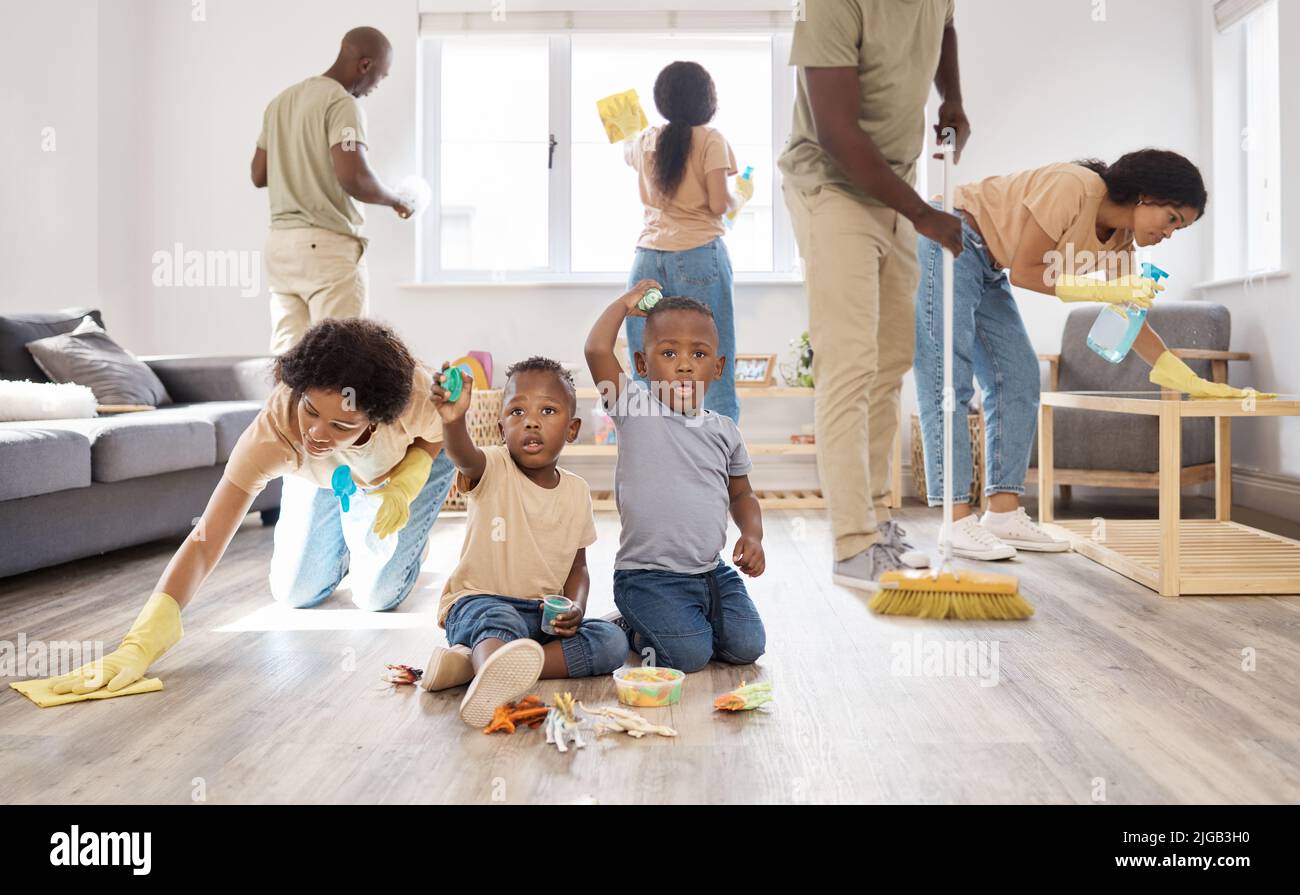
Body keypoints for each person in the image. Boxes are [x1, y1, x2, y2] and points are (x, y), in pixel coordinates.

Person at [40, 318, 456, 697]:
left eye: (342, 425)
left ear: (376, 420)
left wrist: (410, 477)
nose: (316, 433)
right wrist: (141, 641)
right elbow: (206, 539)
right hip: (326, 476)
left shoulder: (416, 397)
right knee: (296, 592)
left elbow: (440, 436)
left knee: (377, 596)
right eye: (310, 410)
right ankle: (343, 498)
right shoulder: (273, 435)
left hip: (403, 464)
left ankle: (394, 531)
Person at [913, 150, 1267, 560]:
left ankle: (1003, 514)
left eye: (1180, 228)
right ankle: (955, 519)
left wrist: (1191, 380)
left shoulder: (1120, 244)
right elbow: (1026, 271)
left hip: (989, 263)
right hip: (948, 235)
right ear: (1145, 196)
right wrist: (1107, 291)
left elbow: (1131, 321)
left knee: (1021, 377)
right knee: (946, 377)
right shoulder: (1074, 186)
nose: (1170, 233)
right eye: (1172, 218)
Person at [778, 0, 970, 591]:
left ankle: (879, 522)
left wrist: (953, 98)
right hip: (831, 187)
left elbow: (944, 28)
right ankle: (852, 542)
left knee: (890, 363)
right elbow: (837, 132)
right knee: (849, 365)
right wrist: (923, 215)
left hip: (895, 188)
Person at [424, 357, 628, 727]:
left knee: (612, 640)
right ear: (502, 428)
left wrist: (576, 608)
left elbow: (578, 566)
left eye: (548, 410)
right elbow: (462, 455)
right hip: (478, 604)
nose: (531, 421)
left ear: (572, 429)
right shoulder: (491, 467)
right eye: (517, 411)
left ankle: (483, 667)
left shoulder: (577, 492)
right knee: (497, 620)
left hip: (540, 618)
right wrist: (453, 420)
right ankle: (494, 668)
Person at [586, 284, 767, 673]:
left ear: (716, 368)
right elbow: (596, 350)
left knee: (748, 646)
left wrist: (752, 535)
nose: (684, 365)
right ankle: (633, 625)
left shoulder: (725, 430)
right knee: (688, 658)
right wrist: (624, 304)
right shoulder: (632, 408)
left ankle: (677, 623)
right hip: (647, 577)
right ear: (642, 363)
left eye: (698, 354)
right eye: (669, 353)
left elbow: (742, 495)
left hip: (709, 572)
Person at [251, 26, 414, 354]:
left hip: (281, 247)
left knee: (290, 360)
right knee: (340, 360)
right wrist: (398, 200)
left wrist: (296, 158)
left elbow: (258, 174)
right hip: (325, 250)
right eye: (380, 77)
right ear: (365, 65)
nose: (375, 87)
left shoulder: (280, 103)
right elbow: (354, 178)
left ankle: (283, 408)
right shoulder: (342, 104)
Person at [622, 61, 751, 422]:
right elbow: (717, 204)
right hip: (698, 255)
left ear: (661, 99)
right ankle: (724, 470)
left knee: (647, 366)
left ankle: (650, 461)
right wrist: (739, 198)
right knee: (711, 363)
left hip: (647, 258)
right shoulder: (711, 140)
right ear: (706, 100)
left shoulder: (647, 139)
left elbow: (626, 149)